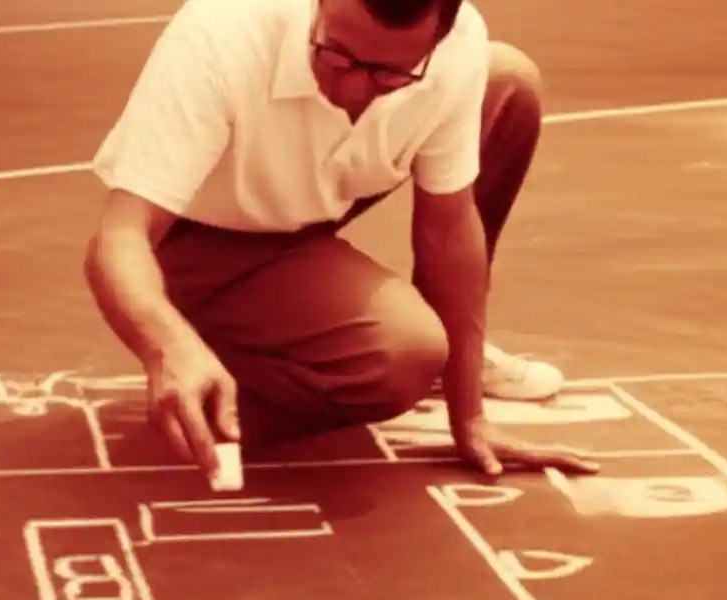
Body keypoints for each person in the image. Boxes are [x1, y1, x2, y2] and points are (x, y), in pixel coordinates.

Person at [83, 0, 601, 480]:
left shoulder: (457, 45)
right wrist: (165, 346)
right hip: (191, 244)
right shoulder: (223, 31)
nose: (354, 90)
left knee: (505, 82)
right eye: (337, 55)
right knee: (405, 354)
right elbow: (122, 235)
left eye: (390, 74)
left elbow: (448, 229)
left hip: (300, 211)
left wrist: (469, 416)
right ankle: (218, 376)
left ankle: (448, 355)